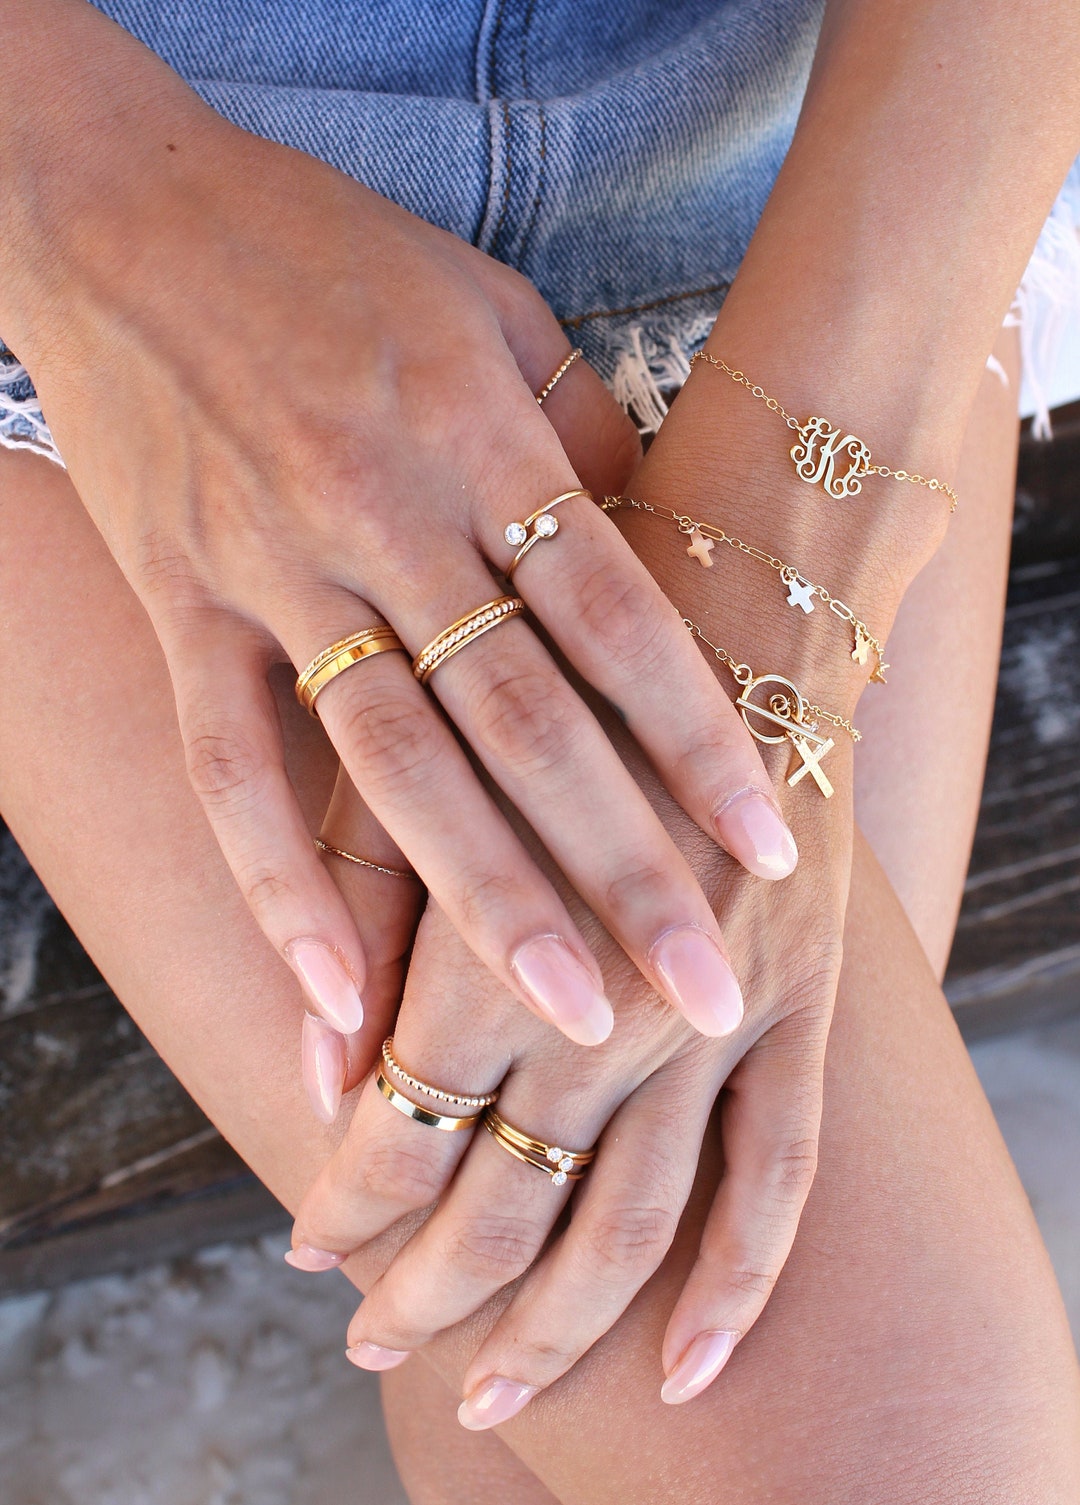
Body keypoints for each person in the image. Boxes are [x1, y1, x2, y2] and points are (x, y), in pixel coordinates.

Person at [1, 1, 1079, 1499]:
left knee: (580, 1348)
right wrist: (85, 201)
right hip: (102, 188)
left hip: (831, 143)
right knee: (870, 1432)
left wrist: (780, 574)